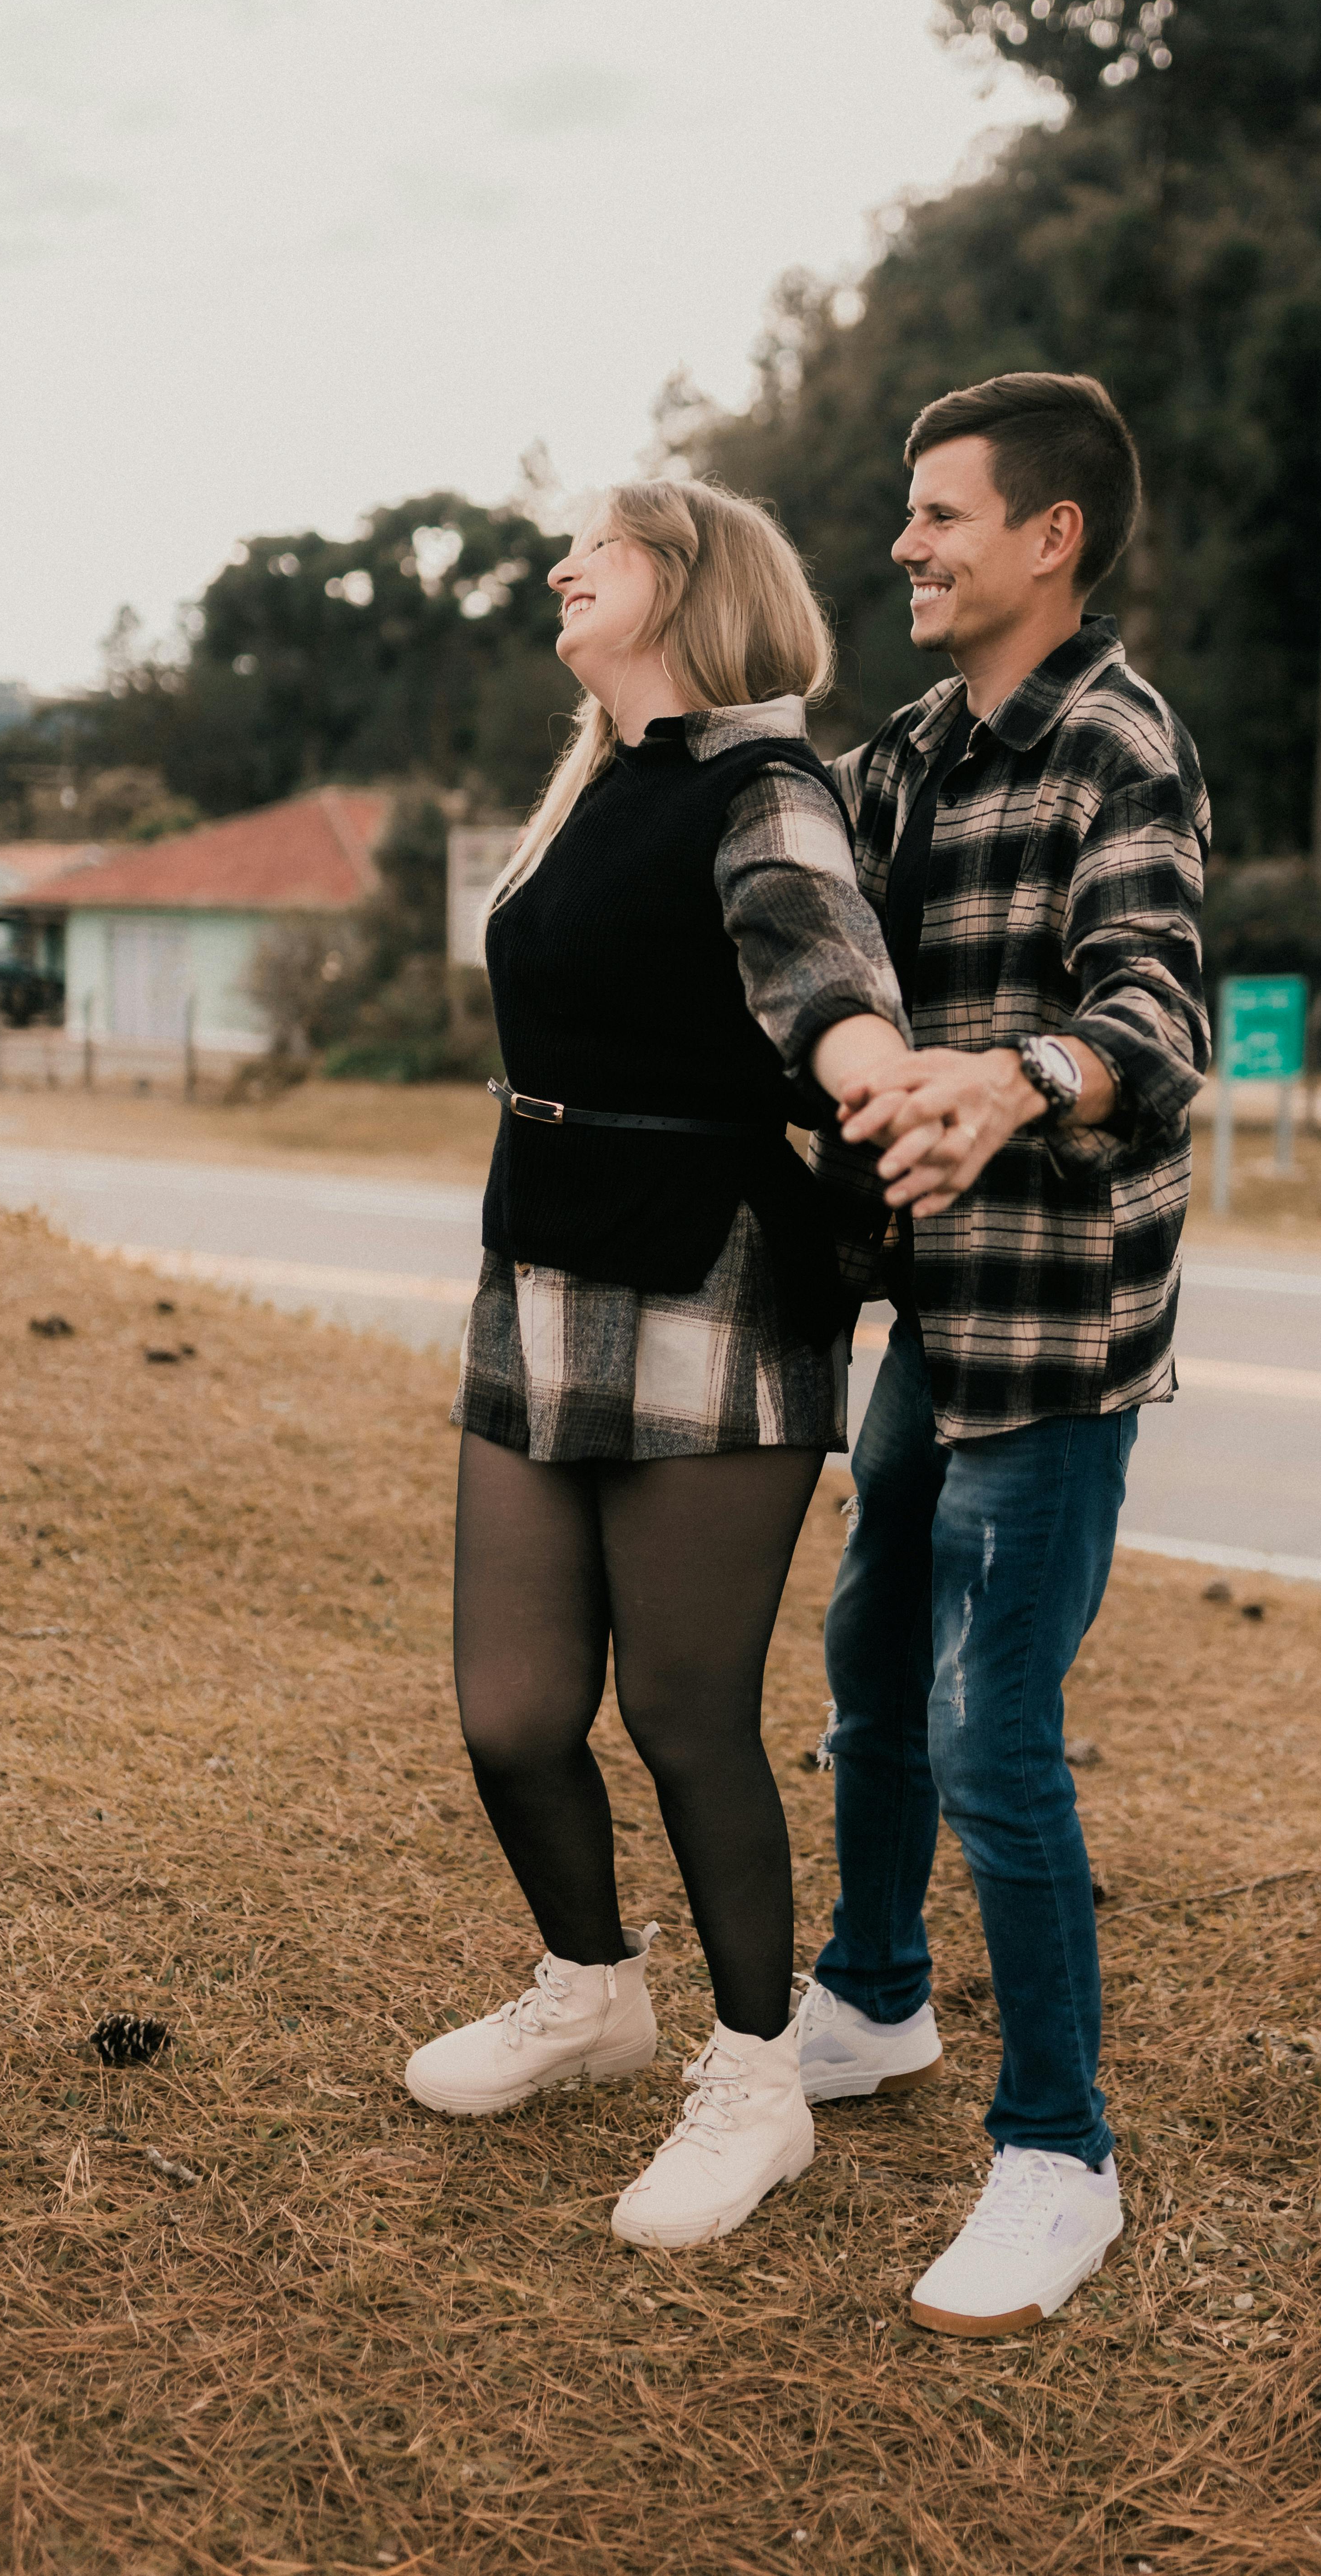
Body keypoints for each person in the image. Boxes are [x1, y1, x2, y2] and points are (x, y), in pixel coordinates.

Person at [404, 479, 911, 2251]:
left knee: (683, 1714)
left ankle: (758, 2080)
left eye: (595, 551)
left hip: (713, 1280)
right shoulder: (603, 779)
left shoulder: (761, 787)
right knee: (513, 1711)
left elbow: (820, 960)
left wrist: (861, 1063)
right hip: (540, 1270)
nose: (563, 568)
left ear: (689, 588)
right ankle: (590, 1989)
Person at [790, 372, 1212, 2336]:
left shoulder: (1117, 749)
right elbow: (798, 888)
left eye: (941, 514)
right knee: (868, 1659)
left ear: (1048, 538)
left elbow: (1155, 1012)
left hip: (1056, 1329)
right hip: (929, 1306)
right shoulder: (912, 752)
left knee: (991, 1736)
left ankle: (1059, 2153)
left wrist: (1019, 1078)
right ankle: (874, 1997)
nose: (905, 544)